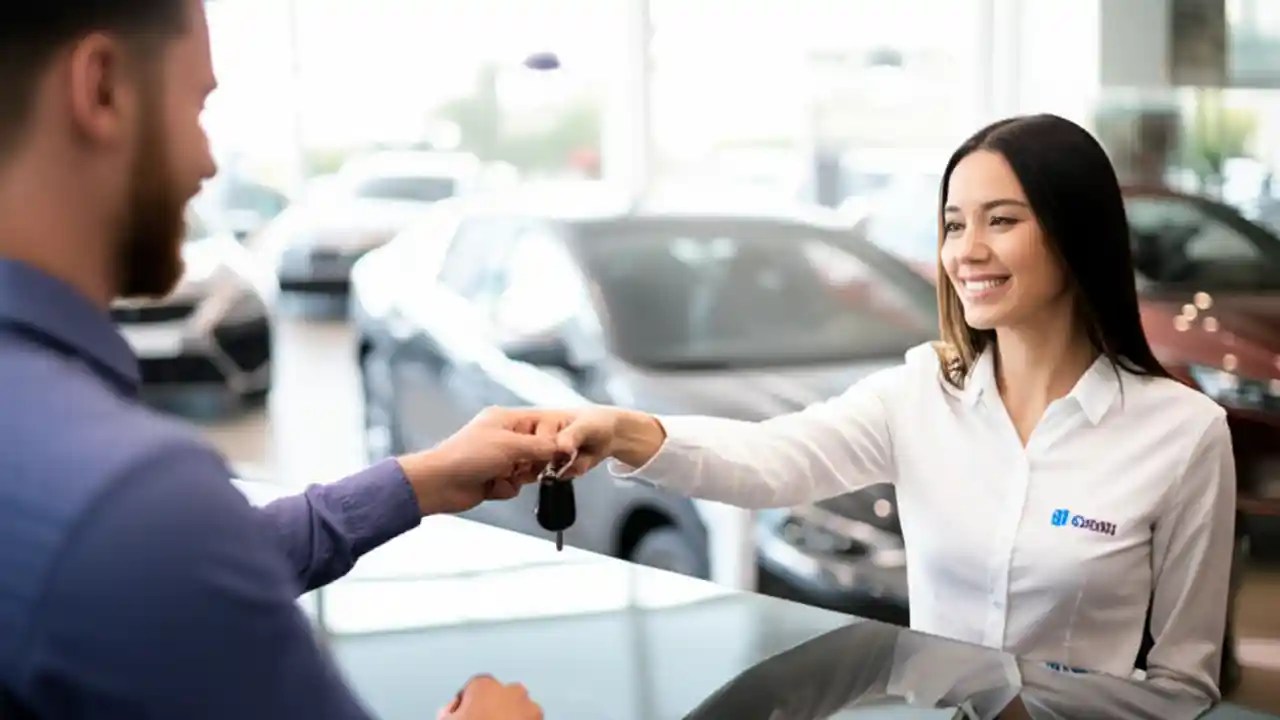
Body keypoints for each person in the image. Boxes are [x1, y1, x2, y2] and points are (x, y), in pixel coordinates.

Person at [527, 115, 1237, 704]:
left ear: (1074, 232)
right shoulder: (923, 390)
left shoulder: (1182, 433)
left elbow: (1184, 687)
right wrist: (626, 433)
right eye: (954, 225)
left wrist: (1024, 710)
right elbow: (773, 460)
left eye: (1001, 220)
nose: (968, 251)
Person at [0, 2, 546, 718]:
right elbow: (154, 551)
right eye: (196, 106)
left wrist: (420, 481)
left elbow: (171, 575)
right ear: (101, 87)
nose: (205, 161)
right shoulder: (128, 500)